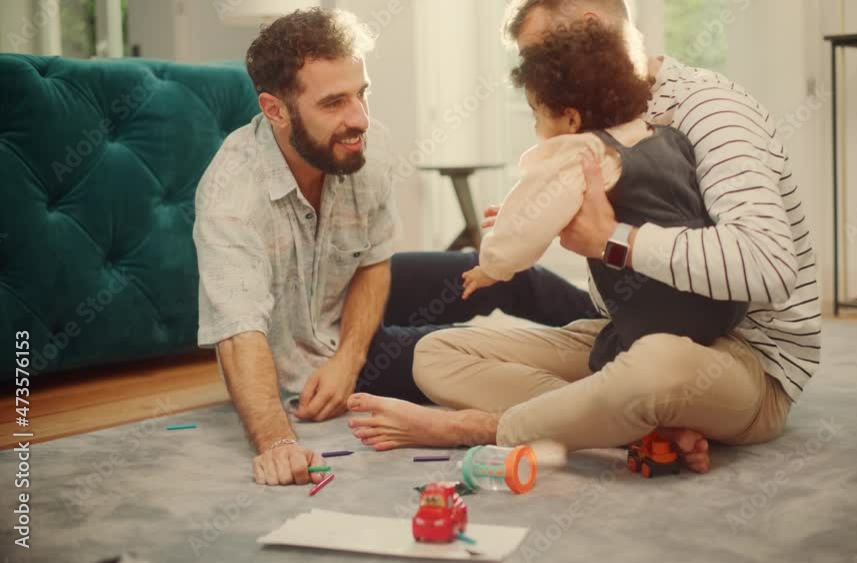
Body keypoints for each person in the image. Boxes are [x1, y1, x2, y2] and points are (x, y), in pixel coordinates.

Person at [346, 0, 821, 475]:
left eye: (542, 58)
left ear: (589, 30)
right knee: (435, 354)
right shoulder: (605, 125)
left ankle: (481, 428)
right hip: (631, 331)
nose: (540, 79)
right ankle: (621, 422)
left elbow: (770, 265)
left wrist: (614, 240)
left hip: (742, 355)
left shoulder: (710, 109)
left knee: (654, 368)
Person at [193, 8, 596, 487]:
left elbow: (372, 261)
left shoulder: (365, 147)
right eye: (333, 103)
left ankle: (625, 334)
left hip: (349, 302)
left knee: (503, 273)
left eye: (361, 94)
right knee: (464, 356)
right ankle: (611, 395)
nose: (359, 119)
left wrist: (349, 357)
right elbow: (238, 333)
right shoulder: (231, 195)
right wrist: (278, 442)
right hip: (307, 362)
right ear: (275, 110)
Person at [460, 20, 748, 372]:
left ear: (571, 119)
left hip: (660, 309)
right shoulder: (665, 136)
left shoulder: (584, 153)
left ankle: (631, 394)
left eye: (537, 114)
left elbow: (526, 228)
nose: (535, 126)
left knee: (607, 359)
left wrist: (493, 266)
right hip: (723, 303)